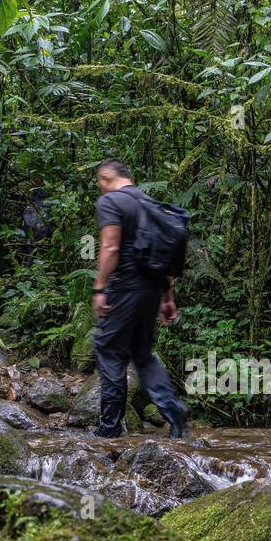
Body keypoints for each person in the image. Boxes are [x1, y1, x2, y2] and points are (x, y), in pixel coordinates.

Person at [91, 159, 189, 438]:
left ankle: (109, 428)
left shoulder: (112, 202)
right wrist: (167, 296)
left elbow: (110, 246)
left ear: (106, 177)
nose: (100, 188)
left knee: (108, 348)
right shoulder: (149, 203)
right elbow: (162, 256)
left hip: (124, 287)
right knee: (142, 354)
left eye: (100, 182)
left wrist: (99, 288)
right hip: (151, 290)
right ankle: (173, 409)